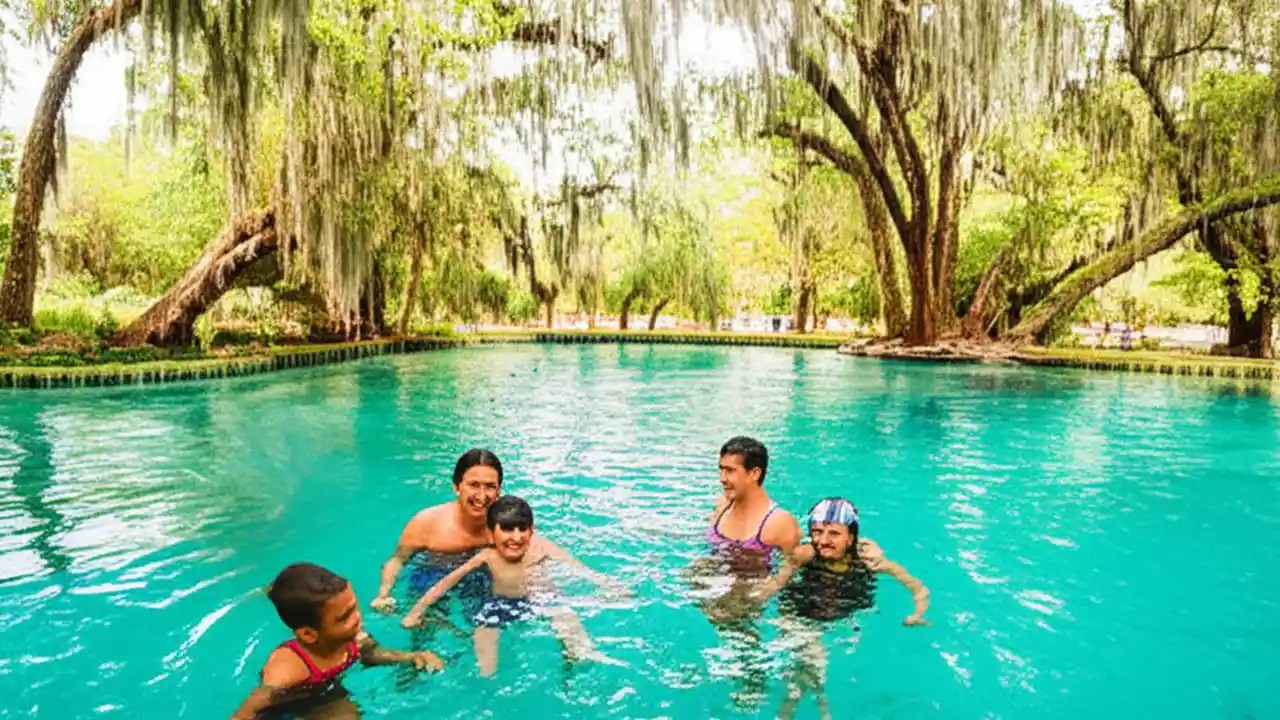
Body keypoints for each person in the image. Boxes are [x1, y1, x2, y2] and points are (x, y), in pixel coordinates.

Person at [401, 496, 622, 677]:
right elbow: (447, 582)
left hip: (539, 599)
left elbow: (577, 567)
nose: (515, 537)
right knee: (485, 667)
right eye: (507, 529)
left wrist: (607, 585)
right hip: (498, 606)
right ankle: (485, 682)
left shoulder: (541, 547)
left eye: (522, 529)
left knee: (566, 618)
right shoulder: (487, 556)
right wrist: (416, 611)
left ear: (531, 531)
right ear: (490, 534)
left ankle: (577, 661)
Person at [761, 498, 930, 720]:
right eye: (817, 532)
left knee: (807, 671)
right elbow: (774, 585)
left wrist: (918, 614)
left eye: (834, 533)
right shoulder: (806, 555)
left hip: (842, 620)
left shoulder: (870, 562)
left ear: (851, 538)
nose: (823, 540)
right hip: (798, 616)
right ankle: (820, 712)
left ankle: (797, 712)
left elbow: (918, 588)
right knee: (813, 662)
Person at [230, 563, 443, 720]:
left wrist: (412, 657)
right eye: (344, 617)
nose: (357, 619)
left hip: (329, 692)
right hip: (293, 704)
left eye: (354, 608)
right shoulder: (287, 669)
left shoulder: (350, 636)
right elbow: (250, 709)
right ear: (308, 634)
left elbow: (371, 653)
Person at [370, 449, 503, 620]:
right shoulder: (427, 522)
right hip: (433, 574)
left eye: (490, 486)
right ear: (457, 486)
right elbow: (397, 560)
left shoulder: (507, 525)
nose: (481, 496)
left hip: (482, 576)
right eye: (474, 485)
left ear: (499, 490)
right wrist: (384, 595)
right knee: (423, 626)